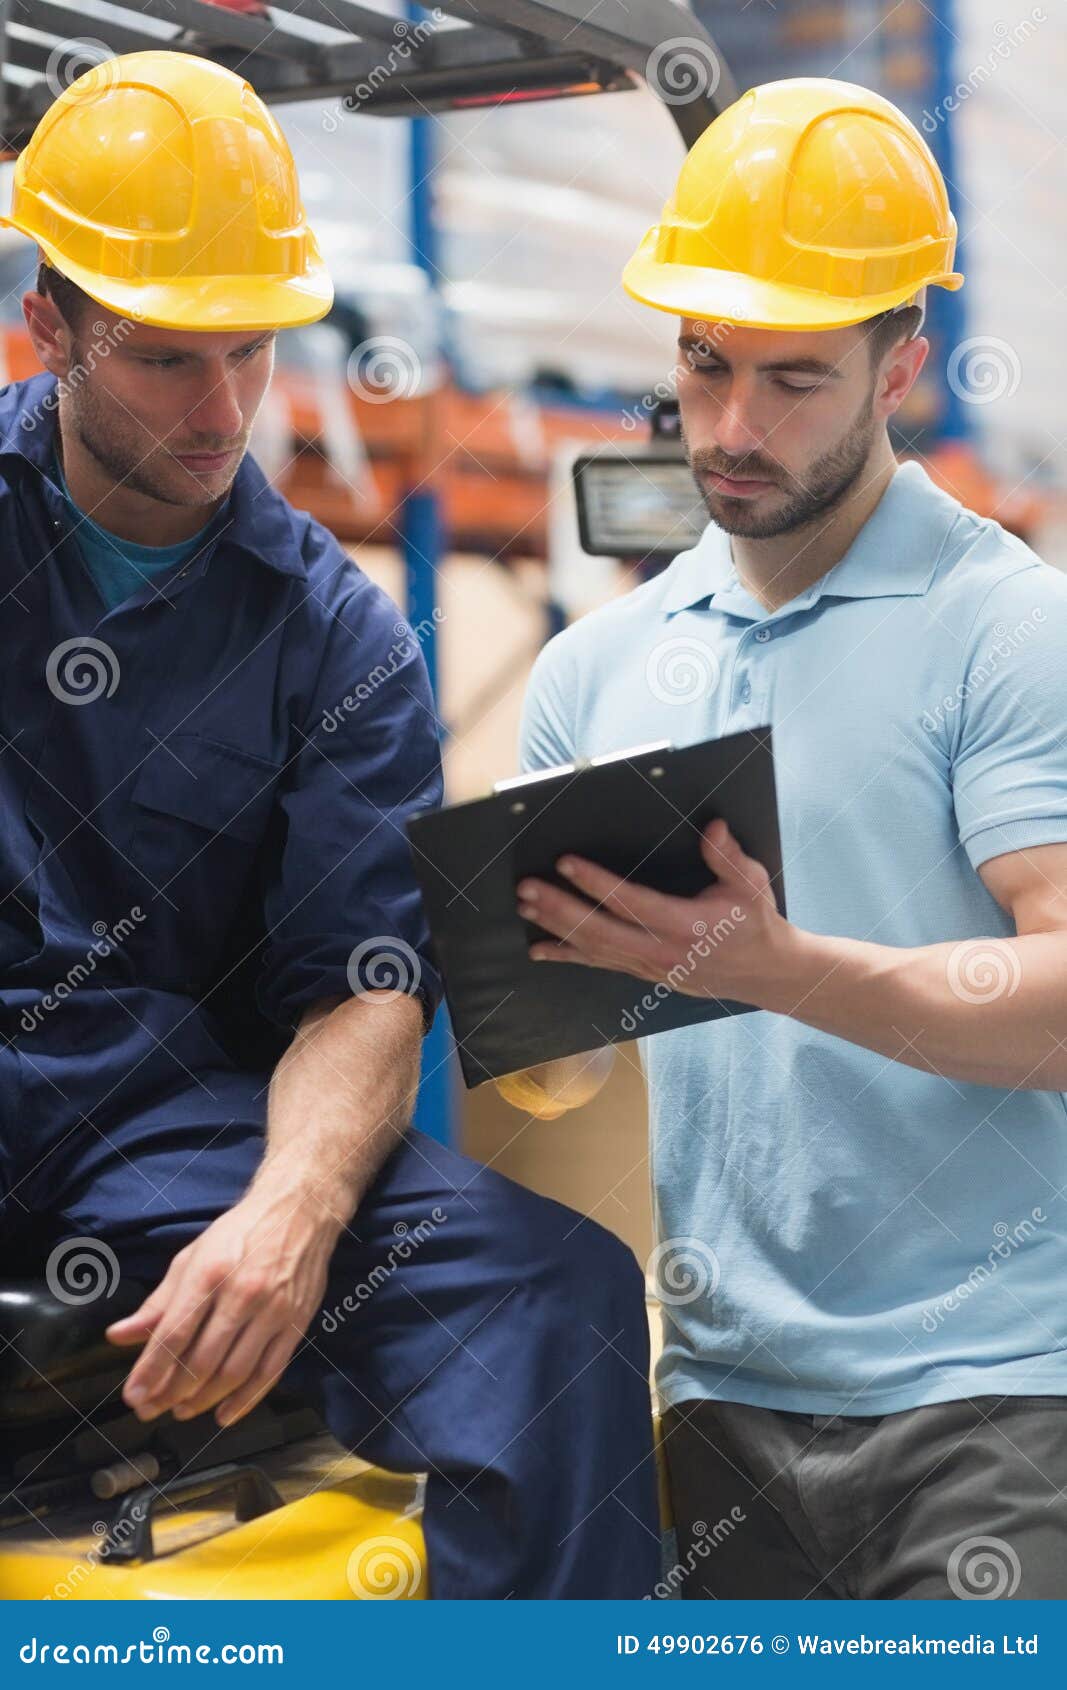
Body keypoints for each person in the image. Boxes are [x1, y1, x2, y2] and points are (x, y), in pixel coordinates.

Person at [0, 49, 659, 1599]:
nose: (226, 407)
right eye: (169, 357)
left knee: (558, 1297)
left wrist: (288, 1215)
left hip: (150, 1127)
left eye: (252, 350)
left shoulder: (336, 643)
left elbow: (364, 981)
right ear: (53, 327)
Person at [498, 77, 1067, 1600]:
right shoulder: (595, 674)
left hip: (996, 1395)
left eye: (796, 380)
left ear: (903, 367)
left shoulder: (1004, 631)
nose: (734, 429)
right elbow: (556, 1068)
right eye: (704, 367)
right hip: (721, 1396)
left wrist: (783, 967)